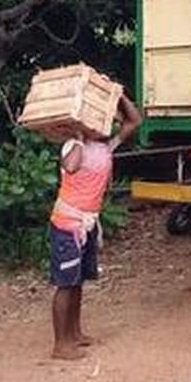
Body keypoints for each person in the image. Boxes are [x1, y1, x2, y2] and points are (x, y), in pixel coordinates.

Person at [50, 94, 142, 360]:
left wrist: (119, 95)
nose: (109, 126)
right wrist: (79, 135)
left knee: (78, 281)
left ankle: (75, 333)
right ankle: (60, 344)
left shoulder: (105, 147)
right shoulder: (72, 146)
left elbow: (134, 121)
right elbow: (70, 165)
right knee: (65, 284)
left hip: (87, 224)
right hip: (68, 224)